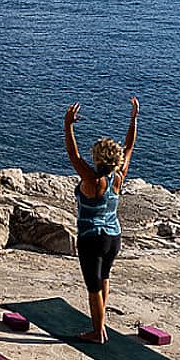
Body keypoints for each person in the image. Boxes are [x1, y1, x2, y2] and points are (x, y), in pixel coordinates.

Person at [64, 97, 139, 343]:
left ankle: (97, 332)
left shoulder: (92, 180)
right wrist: (133, 120)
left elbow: (73, 155)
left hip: (91, 238)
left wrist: (68, 126)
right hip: (113, 237)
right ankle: (101, 325)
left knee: (93, 286)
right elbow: (129, 148)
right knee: (104, 277)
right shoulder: (119, 176)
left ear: (97, 158)